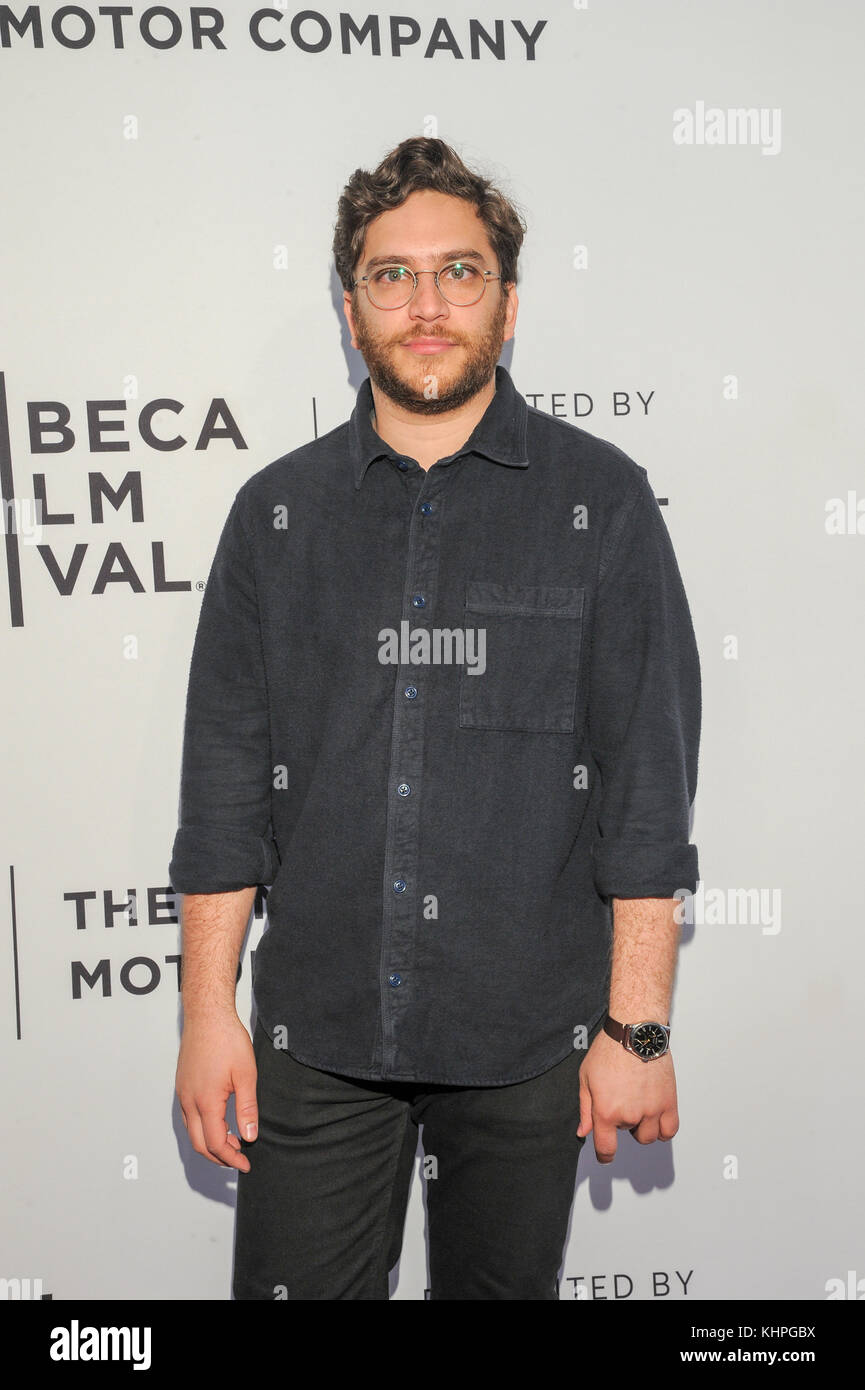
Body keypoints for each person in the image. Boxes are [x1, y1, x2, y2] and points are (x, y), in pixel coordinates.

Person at [169, 135, 701, 1301]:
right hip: (315, 1038)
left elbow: (646, 789)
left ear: (507, 306)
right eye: (391, 274)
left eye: (458, 273)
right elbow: (220, 792)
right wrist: (208, 1016)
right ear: (348, 305)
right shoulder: (274, 517)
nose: (425, 304)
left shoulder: (598, 500)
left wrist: (639, 1028)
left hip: (529, 1038)